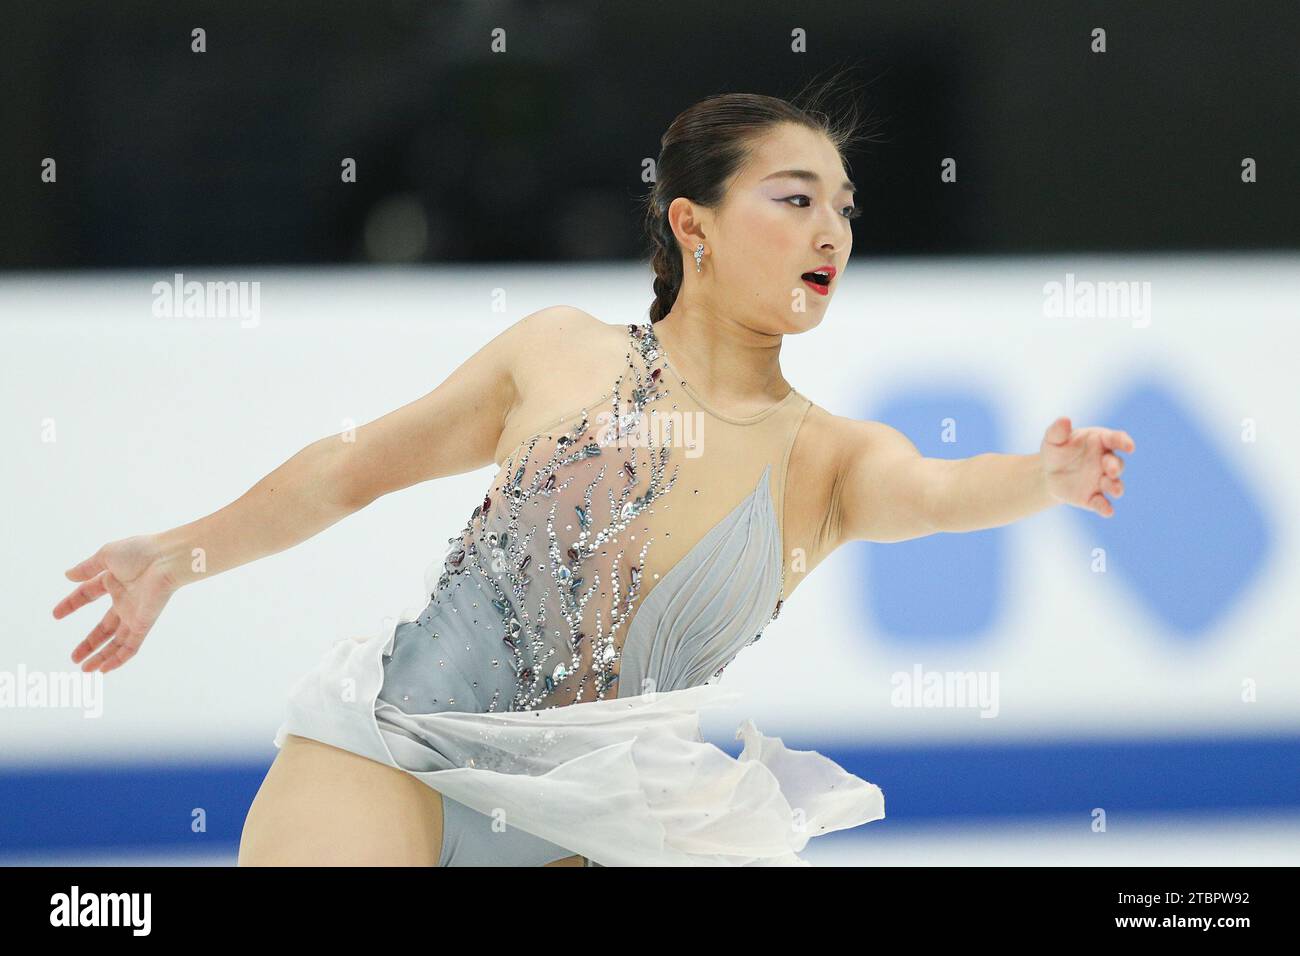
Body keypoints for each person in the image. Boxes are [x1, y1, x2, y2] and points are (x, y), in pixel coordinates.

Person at [51, 81, 1135, 867]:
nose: (833, 230)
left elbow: (946, 494)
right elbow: (351, 470)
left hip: (597, 821)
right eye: (797, 198)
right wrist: (176, 553)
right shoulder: (558, 350)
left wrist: (1042, 479)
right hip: (395, 752)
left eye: (844, 205)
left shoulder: (834, 459)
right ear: (691, 223)